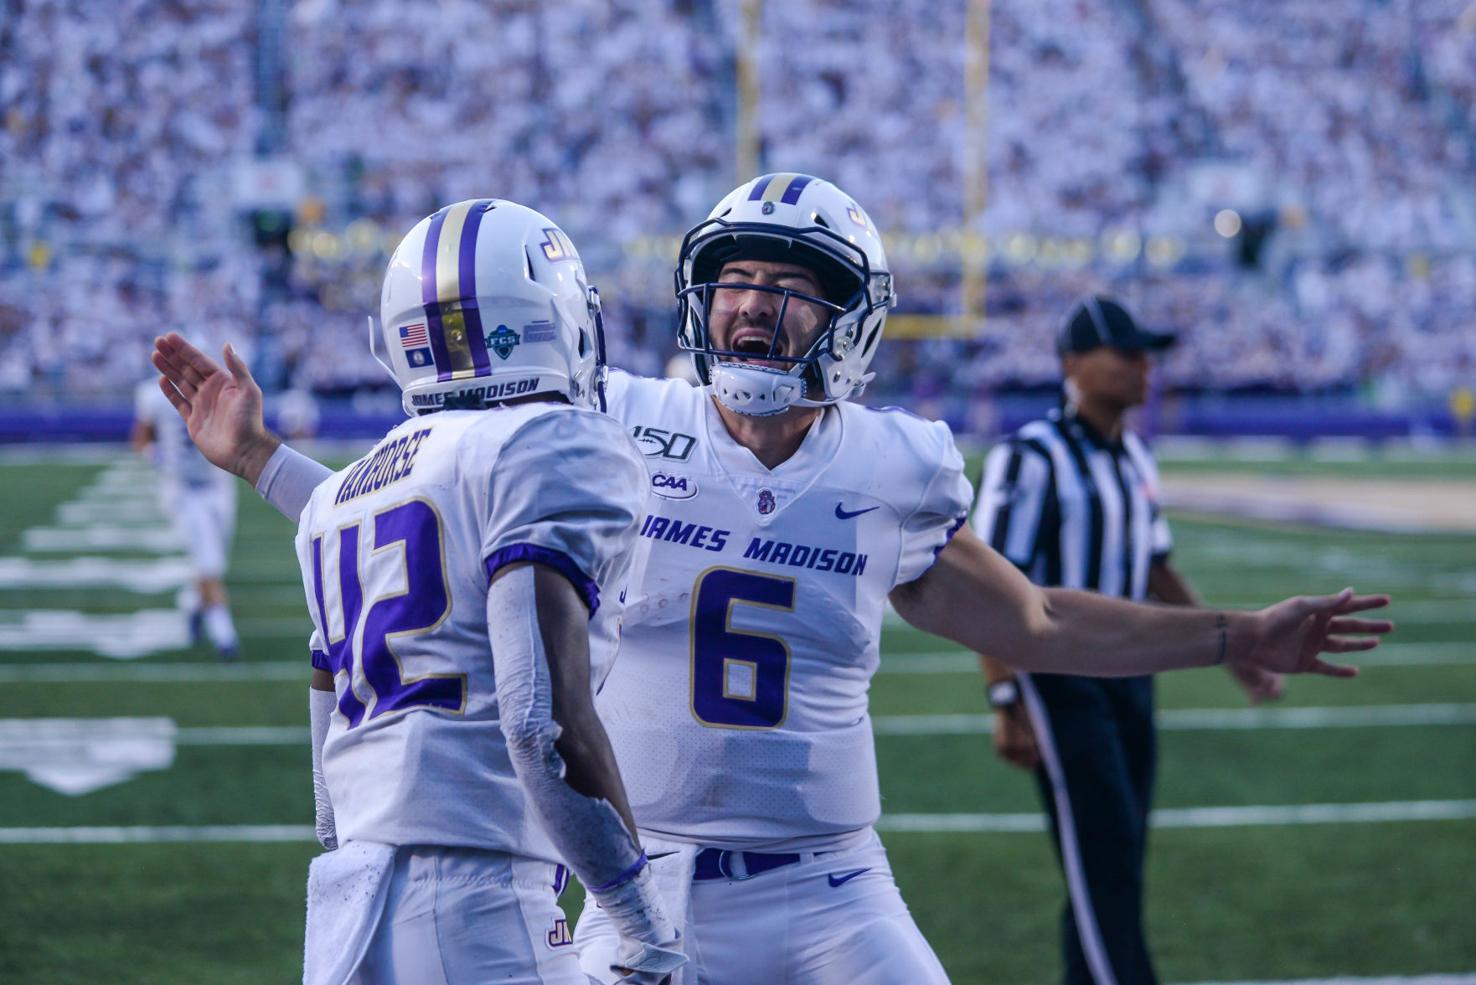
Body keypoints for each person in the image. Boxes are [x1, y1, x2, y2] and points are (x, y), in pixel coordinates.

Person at [154, 174, 1392, 985]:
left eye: (790, 286)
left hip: (831, 887)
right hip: (645, 879)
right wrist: (260, 460)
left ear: (848, 320)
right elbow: (423, 516)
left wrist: (1230, 632)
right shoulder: (609, 425)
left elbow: (1038, 619)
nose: (753, 306)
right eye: (738, 279)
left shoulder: (895, 466)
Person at [156, 199, 684, 985]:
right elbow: (539, 720)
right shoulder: (554, 443)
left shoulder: (341, 505)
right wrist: (639, 916)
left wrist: (265, 460)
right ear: (552, 319)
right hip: (483, 902)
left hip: (350, 915)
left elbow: (327, 798)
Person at [975, 296, 1284, 985]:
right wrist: (1002, 690)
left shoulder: (1136, 457)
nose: (1146, 367)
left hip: (1133, 673)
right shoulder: (1030, 456)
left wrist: (1235, 649)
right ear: (1073, 363)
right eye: (1128, 352)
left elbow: (1155, 564)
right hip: (1058, 677)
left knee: (1117, 855)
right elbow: (989, 581)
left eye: (1148, 353)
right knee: (1105, 849)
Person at [131, 376, 241, 659]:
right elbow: (141, 438)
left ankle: (192, 605)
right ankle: (224, 636)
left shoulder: (216, 390)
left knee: (217, 560)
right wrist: (157, 458)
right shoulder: (154, 395)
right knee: (209, 564)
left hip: (218, 484)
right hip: (184, 490)